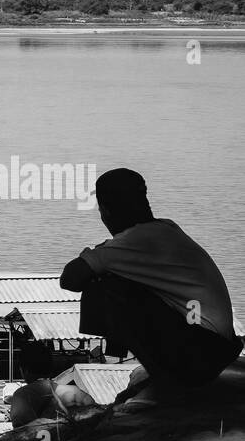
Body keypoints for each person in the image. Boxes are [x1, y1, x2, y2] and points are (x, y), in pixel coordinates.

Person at [59, 168, 243, 402]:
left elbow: (71, 279)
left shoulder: (134, 242)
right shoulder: (166, 229)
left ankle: (165, 380)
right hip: (219, 348)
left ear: (105, 210)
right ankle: (161, 375)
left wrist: (94, 252)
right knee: (117, 279)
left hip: (203, 355)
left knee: (103, 287)